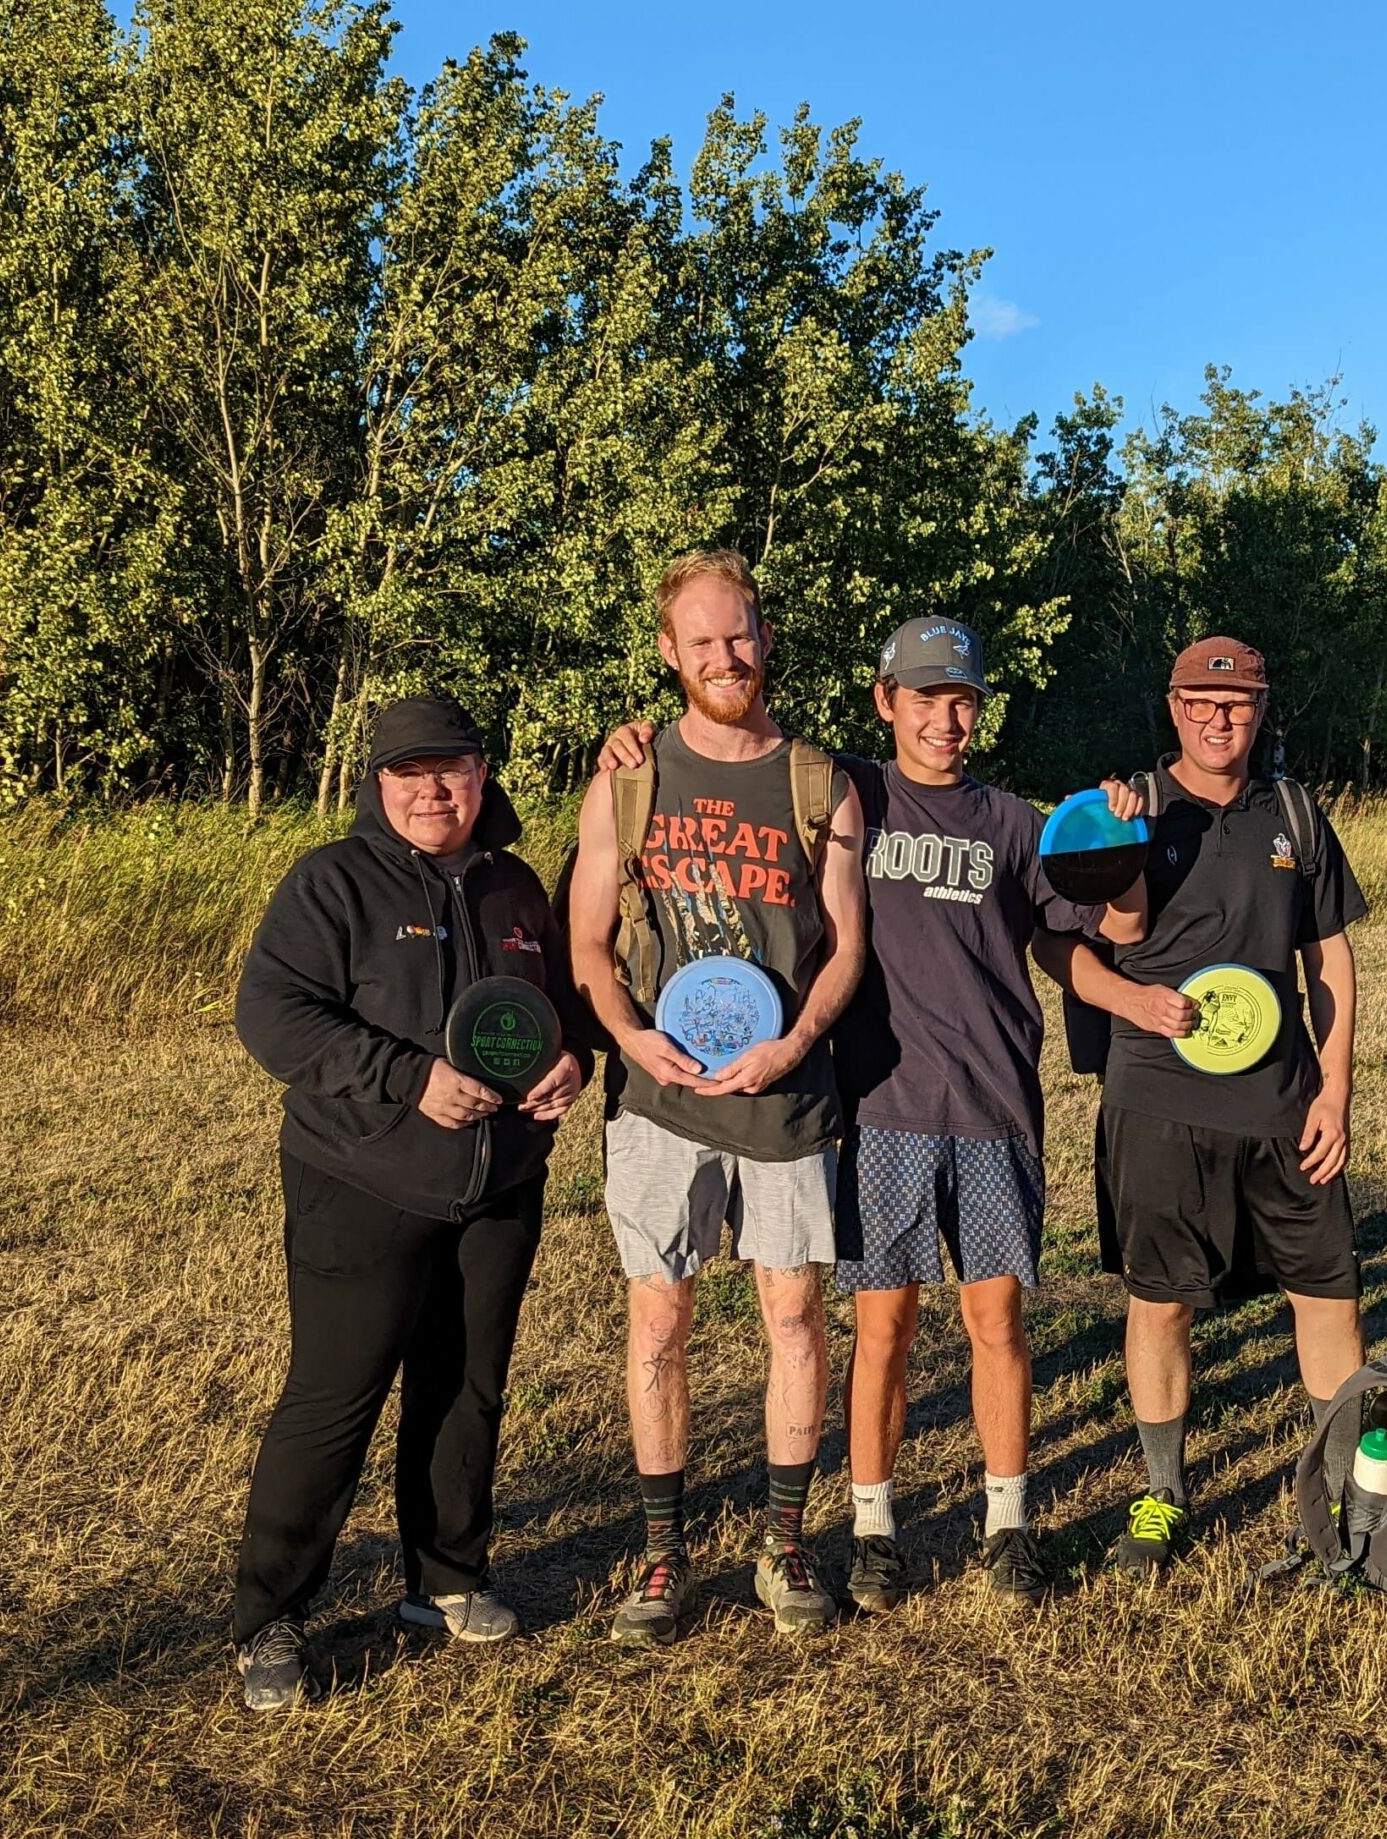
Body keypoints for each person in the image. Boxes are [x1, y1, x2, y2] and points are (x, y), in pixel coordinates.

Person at [595, 616, 1146, 1612]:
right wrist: (629, 737)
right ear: (885, 701)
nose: (948, 717)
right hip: (882, 1106)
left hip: (994, 1106)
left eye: (964, 698)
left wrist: (1115, 848)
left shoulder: (1015, 822)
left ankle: (1009, 1523)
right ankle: (874, 1526)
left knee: (996, 1321)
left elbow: (1070, 942)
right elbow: (730, 728)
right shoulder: (847, 789)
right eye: (927, 696)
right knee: (881, 1329)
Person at [228, 694, 590, 1713]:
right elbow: (272, 1017)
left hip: (500, 1184)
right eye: (409, 774)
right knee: (334, 1399)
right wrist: (405, 1077)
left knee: (467, 1388)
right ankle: (271, 1619)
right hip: (361, 1178)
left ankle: (447, 1580)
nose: (432, 791)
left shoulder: (517, 889)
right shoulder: (332, 882)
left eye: (453, 770)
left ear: (484, 776)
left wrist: (572, 1061)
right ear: (376, 786)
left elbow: (561, 1008)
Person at [568, 549, 868, 1647]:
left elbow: (845, 947)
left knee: (793, 1318)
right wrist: (630, 1038)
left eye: (737, 635)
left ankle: (786, 1542)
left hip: (784, 1102)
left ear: (764, 636)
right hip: (661, 1108)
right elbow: (588, 945)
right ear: (668, 653)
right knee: (659, 1323)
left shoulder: (817, 781)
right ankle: (661, 1557)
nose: (724, 656)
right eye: (701, 642)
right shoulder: (627, 780)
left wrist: (793, 1045)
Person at [1040, 636, 1369, 1579]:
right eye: (1199, 701)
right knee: (1161, 1301)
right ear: (1174, 704)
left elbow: (1329, 960)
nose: (1218, 719)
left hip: (1283, 1099)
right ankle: (1161, 1493)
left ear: (1262, 710)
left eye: (1238, 703)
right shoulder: (1121, 809)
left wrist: (1336, 1089)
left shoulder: (1296, 813)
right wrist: (1136, 1000)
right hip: (1157, 1098)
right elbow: (1064, 948)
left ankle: (1335, 1502)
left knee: (1330, 1297)